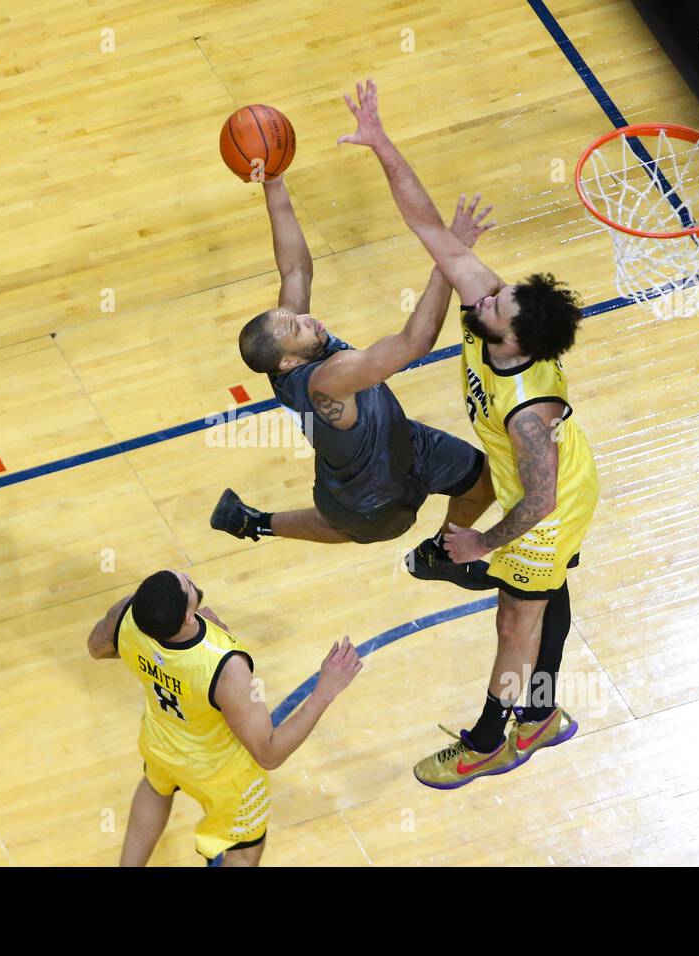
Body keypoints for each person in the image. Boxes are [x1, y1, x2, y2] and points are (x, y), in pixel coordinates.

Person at [340, 79, 599, 789]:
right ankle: (540, 715)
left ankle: (491, 742)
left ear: (513, 339)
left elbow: (540, 503)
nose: (480, 293)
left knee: (515, 621)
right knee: (547, 598)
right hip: (546, 487)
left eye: (492, 302)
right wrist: (381, 143)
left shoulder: (528, 414)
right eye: (491, 290)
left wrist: (481, 544)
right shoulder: (495, 309)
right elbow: (426, 225)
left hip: (545, 506)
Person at [211, 173, 497, 548]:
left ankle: (441, 555)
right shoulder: (329, 380)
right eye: (297, 328)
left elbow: (296, 269)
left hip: (404, 441)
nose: (305, 318)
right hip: (372, 498)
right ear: (288, 364)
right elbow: (416, 341)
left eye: (294, 317)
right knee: (346, 527)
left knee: (483, 484)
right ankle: (259, 523)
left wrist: (274, 183)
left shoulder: (289, 351)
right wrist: (450, 258)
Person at [87, 569, 361, 865]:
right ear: (189, 617)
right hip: (221, 774)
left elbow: (96, 647)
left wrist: (157, 660)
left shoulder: (127, 616)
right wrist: (325, 690)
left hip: (161, 744)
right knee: (243, 851)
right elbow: (268, 753)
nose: (187, 574)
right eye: (186, 583)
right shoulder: (226, 667)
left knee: (155, 788)